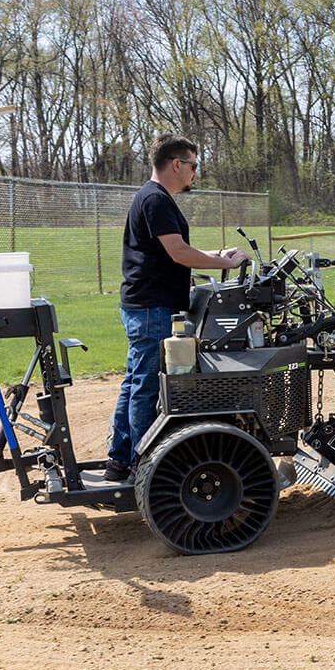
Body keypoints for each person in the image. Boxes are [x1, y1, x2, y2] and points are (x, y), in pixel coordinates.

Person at [105, 134, 250, 480]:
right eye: (193, 166)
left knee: (135, 382)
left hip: (145, 304)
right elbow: (179, 253)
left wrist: (218, 255)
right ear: (176, 165)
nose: (194, 174)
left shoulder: (155, 198)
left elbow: (176, 251)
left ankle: (119, 460)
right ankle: (143, 468)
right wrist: (220, 265)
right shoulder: (155, 200)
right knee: (146, 386)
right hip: (151, 307)